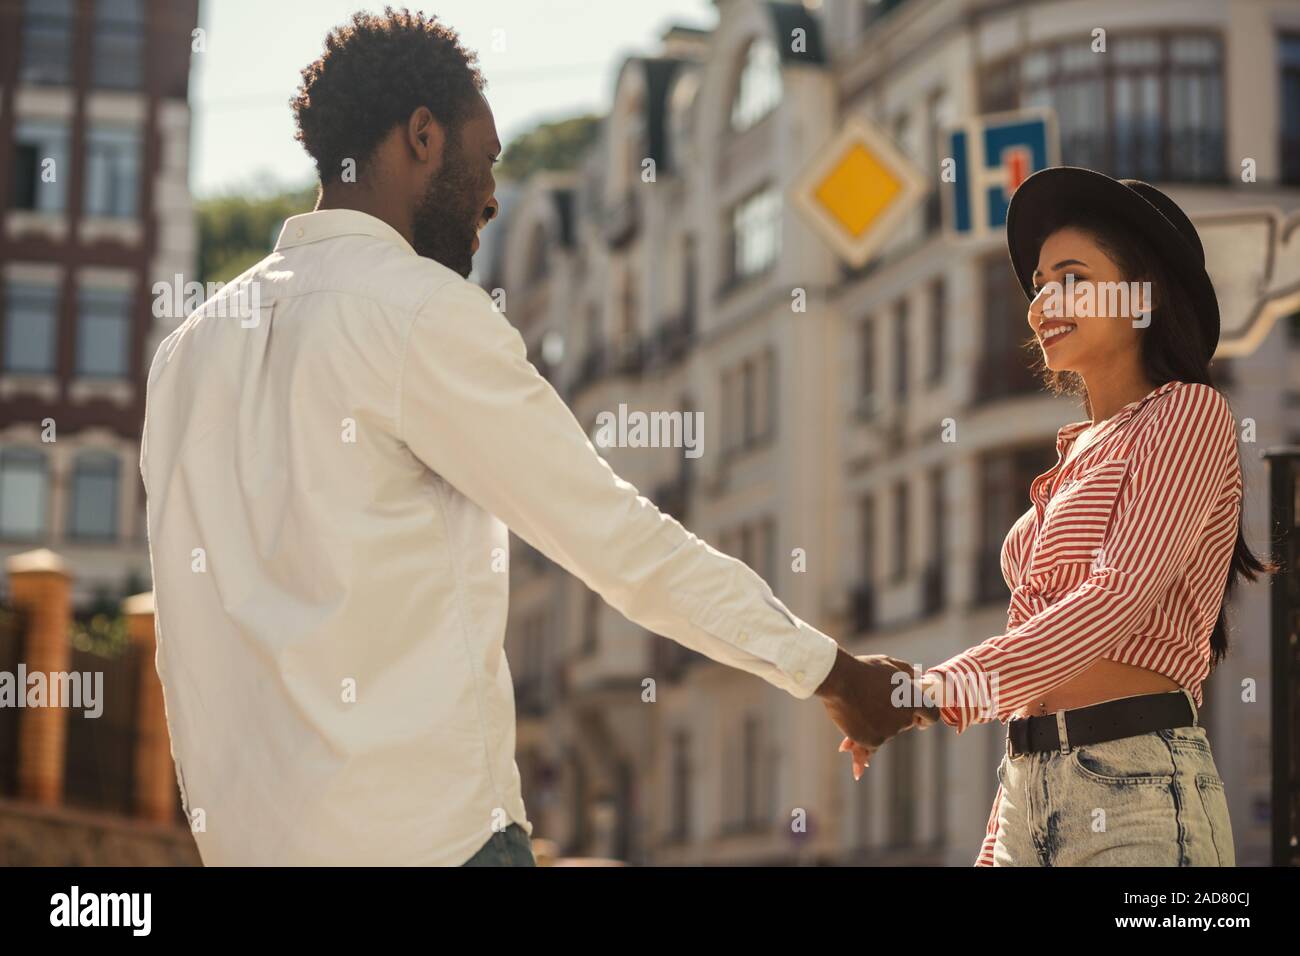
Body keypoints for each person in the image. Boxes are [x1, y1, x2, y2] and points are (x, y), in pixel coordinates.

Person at [139, 8, 931, 867]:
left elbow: (184, 640)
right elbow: (616, 540)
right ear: (421, 136)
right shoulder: (422, 313)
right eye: (487, 161)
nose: (488, 197)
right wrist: (830, 671)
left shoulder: (186, 353)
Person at [842, 166, 1274, 865]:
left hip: (1138, 791)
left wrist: (926, 692)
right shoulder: (1067, 462)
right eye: (1039, 285)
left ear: (1143, 298)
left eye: (1071, 277)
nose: (1042, 303)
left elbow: (1114, 595)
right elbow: (1037, 675)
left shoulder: (1188, 413)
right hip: (1026, 786)